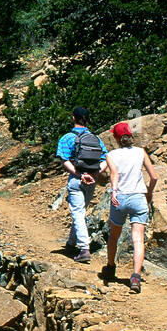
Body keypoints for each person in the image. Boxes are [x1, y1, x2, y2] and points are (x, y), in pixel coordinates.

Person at [104, 121, 158, 292]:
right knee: (138, 239)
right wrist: (148, 193)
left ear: (116, 138)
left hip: (119, 197)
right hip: (138, 198)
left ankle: (111, 267)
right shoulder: (140, 152)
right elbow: (154, 176)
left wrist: (114, 191)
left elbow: (114, 174)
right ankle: (135, 276)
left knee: (114, 236)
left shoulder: (111, 155)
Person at [56, 107, 104, 263]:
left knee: (77, 213)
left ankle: (84, 248)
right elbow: (105, 159)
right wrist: (94, 174)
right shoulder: (95, 138)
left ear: (73, 118)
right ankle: (71, 244)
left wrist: (79, 174)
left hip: (77, 180)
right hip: (92, 181)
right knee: (81, 211)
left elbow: (64, 160)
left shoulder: (67, 138)